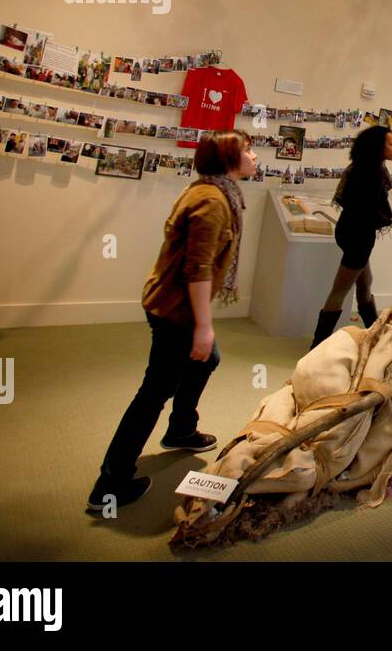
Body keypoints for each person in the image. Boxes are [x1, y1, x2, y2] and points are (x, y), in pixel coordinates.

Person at [87, 129, 257, 513]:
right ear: (229, 158)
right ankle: (109, 486)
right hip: (175, 311)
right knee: (153, 393)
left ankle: (181, 428)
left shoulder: (212, 191)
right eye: (248, 150)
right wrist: (203, 325)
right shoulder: (213, 201)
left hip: (170, 304)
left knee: (207, 359)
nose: (254, 157)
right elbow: (195, 269)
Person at [311, 124, 392, 349]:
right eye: (391, 144)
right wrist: (390, 221)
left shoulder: (368, 168)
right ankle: (317, 344)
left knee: (365, 283)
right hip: (358, 235)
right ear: (377, 147)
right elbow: (364, 209)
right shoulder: (368, 172)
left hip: (353, 232)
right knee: (340, 289)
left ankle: (374, 335)